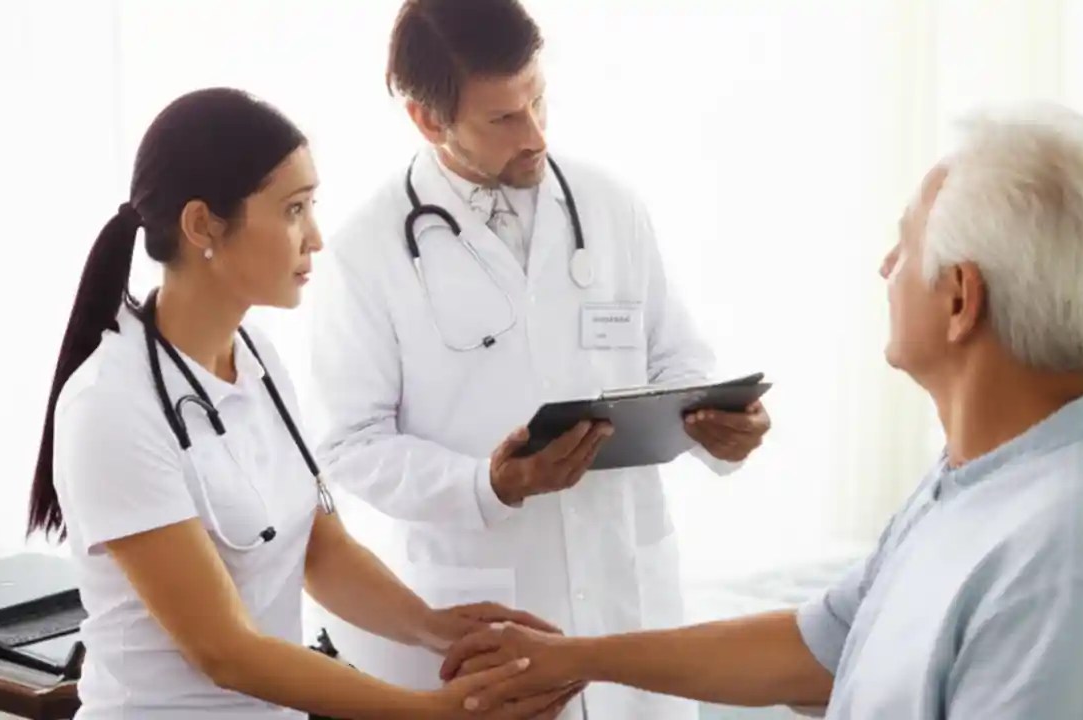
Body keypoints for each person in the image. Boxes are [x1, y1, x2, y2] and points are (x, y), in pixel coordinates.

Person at [437, 104, 1083, 719]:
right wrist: (579, 658)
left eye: (903, 245)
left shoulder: (1068, 562)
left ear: (959, 298)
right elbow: (826, 642)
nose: (884, 266)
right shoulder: (996, 468)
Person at [27, 87, 574, 720]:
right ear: (203, 225)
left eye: (312, 206)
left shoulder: (255, 357)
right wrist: (436, 711)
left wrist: (437, 629)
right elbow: (224, 650)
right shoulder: (111, 408)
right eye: (293, 210)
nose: (315, 237)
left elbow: (314, 545)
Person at [310, 0, 770, 717]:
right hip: (490, 616)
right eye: (503, 118)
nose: (536, 136)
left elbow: (678, 358)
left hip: (629, 601)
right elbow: (350, 444)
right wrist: (486, 485)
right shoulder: (366, 250)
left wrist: (715, 424)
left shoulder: (610, 205)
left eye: (539, 100)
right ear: (428, 121)